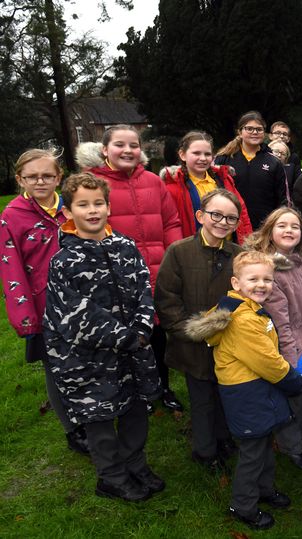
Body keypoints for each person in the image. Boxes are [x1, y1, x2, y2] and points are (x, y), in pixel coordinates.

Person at [43, 173, 163, 502]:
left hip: (133, 349)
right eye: (83, 205)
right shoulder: (64, 261)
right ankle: (111, 476)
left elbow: (143, 288)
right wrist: (125, 336)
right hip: (88, 359)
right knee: (99, 416)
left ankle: (134, 463)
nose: (93, 210)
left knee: (135, 407)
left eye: (98, 203)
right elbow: (77, 314)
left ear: (109, 207)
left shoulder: (126, 247)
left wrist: (142, 328)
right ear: (68, 212)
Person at [185, 250, 302, 530]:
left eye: (267, 279)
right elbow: (268, 361)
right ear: (236, 283)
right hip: (247, 392)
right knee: (252, 452)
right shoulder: (244, 320)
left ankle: (265, 489)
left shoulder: (248, 308)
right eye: (253, 279)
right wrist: (292, 380)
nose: (261, 285)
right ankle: (243, 505)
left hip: (258, 387)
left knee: (264, 443)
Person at [84, 124, 184, 413]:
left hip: (156, 270)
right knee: (127, 336)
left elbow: (171, 222)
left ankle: (163, 387)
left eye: (134, 145)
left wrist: (173, 259)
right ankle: (136, 393)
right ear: (105, 149)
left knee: (158, 334)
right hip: (117, 275)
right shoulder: (92, 183)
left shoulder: (153, 181)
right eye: (120, 145)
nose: (127, 150)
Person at [0, 149, 88, 454]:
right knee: (56, 368)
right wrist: (26, 318)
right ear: (20, 179)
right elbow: (10, 268)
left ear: (59, 177)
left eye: (47, 175)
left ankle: (93, 416)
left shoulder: (73, 207)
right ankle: (72, 429)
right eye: (32, 176)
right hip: (45, 307)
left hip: (83, 301)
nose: (40, 181)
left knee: (86, 361)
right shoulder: (12, 217)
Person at [154, 190, 244, 473]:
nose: (222, 222)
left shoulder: (238, 255)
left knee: (226, 392)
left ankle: (223, 437)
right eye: (216, 215)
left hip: (228, 341)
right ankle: (205, 451)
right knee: (202, 397)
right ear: (200, 216)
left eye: (230, 218)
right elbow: (167, 300)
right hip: (192, 342)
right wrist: (191, 331)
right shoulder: (179, 252)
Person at [245, 208, 302, 472]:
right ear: (270, 231)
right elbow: (280, 322)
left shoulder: (296, 260)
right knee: (289, 396)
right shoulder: (269, 269)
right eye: (282, 225)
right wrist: (289, 362)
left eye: (295, 226)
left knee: (299, 395)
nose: (289, 230)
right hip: (286, 343)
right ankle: (292, 447)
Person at [161, 131, 252, 243]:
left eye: (207, 154)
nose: (203, 158)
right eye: (196, 153)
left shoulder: (224, 180)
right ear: (182, 154)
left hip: (228, 247)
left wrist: (246, 243)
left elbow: (242, 214)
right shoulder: (173, 188)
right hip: (193, 248)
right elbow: (170, 226)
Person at [215, 111, 289, 229]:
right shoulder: (224, 159)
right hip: (229, 225)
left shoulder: (274, 163)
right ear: (240, 132)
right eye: (249, 129)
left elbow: (282, 200)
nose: (255, 132)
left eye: (259, 129)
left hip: (263, 227)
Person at [268, 121, 302, 185]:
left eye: (285, 134)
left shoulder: (294, 157)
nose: (281, 136)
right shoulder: (262, 153)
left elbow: (298, 181)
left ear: (288, 139)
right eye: (277, 133)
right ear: (270, 136)